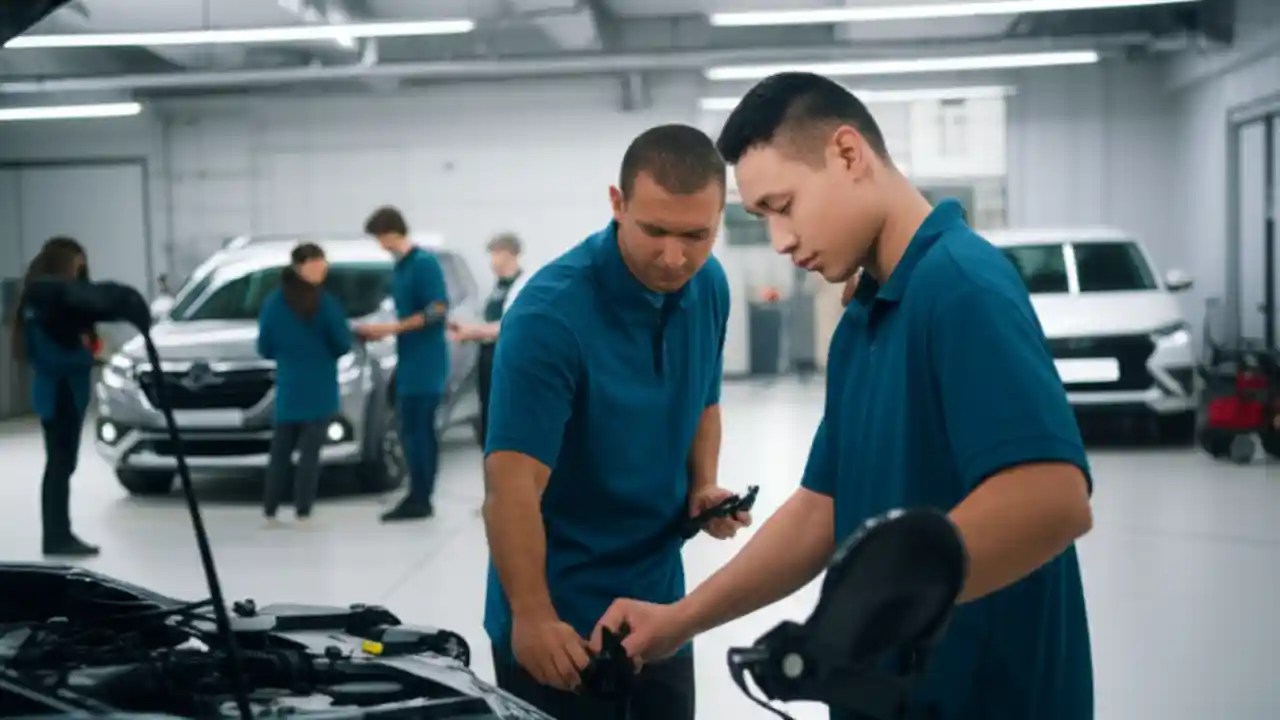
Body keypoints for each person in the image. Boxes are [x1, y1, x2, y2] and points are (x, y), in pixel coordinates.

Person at [593, 73, 1096, 720]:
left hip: (986, 697)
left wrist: (861, 618)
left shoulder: (961, 287)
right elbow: (820, 511)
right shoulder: (865, 316)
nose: (779, 241)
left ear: (849, 154)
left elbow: (1052, 500)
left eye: (784, 205)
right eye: (762, 218)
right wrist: (679, 620)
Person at [481, 124, 751, 720]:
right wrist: (531, 615)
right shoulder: (549, 316)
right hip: (562, 615)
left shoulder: (708, 287)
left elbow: (703, 400)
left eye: (696, 235)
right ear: (617, 203)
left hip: (659, 609)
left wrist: (703, 484)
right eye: (654, 230)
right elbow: (510, 487)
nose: (674, 256)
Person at [355, 206, 449, 522]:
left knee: (420, 430)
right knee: (409, 429)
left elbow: (437, 310)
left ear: (392, 233)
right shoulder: (399, 269)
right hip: (409, 360)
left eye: (380, 238)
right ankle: (416, 493)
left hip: (427, 362)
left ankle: (421, 498)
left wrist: (390, 329)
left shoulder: (424, 264)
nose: (380, 245)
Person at [11, 237, 102, 557]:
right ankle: (56, 536)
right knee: (59, 466)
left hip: (67, 394)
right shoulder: (43, 304)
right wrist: (88, 358)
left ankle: (60, 533)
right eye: (77, 266)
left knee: (64, 465)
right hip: (58, 394)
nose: (81, 273)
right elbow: (50, 358)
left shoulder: (59, 305)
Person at [257, 243, 353, 526]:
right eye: (318, 263)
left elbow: (264, 346)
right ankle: (303, 511)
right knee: (310, 454)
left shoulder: (273, 302)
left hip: (289, 386)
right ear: (303, 266)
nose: (323, 268)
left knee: (281, 451)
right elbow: (342, 343)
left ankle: (270, 509)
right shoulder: (326, 303)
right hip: (319, 386)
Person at [447, 231, 527, 444]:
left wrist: (471, 332)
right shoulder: (498, 287)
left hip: (507, 359)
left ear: (509, 254)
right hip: (488, 355)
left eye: (495, 255)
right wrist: (467, 328)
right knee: (489, 412)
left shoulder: (522, 286)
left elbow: (510, 326)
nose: (491, 261)